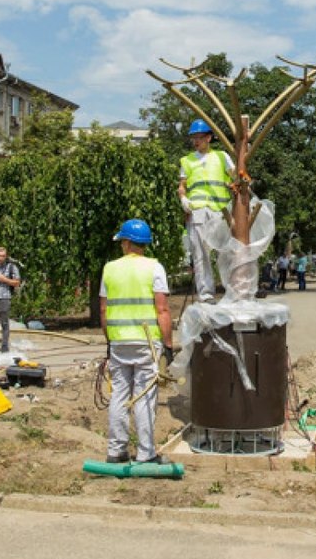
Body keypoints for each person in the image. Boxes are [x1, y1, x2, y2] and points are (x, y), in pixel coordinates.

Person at [100, 219, 174, 465]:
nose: (122, 244)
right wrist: (169, 345)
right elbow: (162, 309)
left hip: (120, 342)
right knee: (144, 396)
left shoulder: (109, 269)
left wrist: (109, 340)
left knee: (119, 394)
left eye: (122, 240)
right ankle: (145, 453)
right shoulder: (155, 268)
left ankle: (116, 450)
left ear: (128, 242)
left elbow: (103, 311)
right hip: (147, 343)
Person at [177, 119, 235, 302]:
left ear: (209, 138)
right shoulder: (186, 161)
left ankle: (232, 292)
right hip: (198, 211)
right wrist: (183, 199)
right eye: (194, 138)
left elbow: (235, 177)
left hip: (220, 211)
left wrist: (234, 184)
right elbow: (182, 186)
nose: (196, 141)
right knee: (200, 253)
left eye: (200, 137)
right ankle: (206, 295)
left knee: (225, 252)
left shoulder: (221, 156)